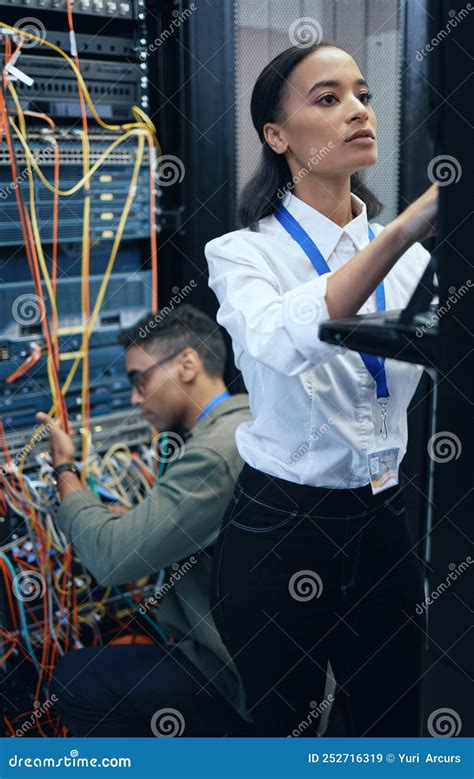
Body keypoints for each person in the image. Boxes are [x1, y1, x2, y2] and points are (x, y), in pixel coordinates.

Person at [204, 43, 438, 737]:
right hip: (282, 530)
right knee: (282, 728)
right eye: (327, 98)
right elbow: (281, 338)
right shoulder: (243, 253)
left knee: (390, 721)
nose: (359, 110)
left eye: (362, 94)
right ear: (277, 137)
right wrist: (405, 226)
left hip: (385, 521)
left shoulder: (418, 261)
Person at [37, 304, 252, 736]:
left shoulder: (213, 453)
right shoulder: (249, 421)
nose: (135, 398)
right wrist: (133, 520)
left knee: (78, 679)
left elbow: (113, 559)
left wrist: (64, 471)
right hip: (270, 658)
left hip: (237, 677)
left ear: (188, 364)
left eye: (141, 379)